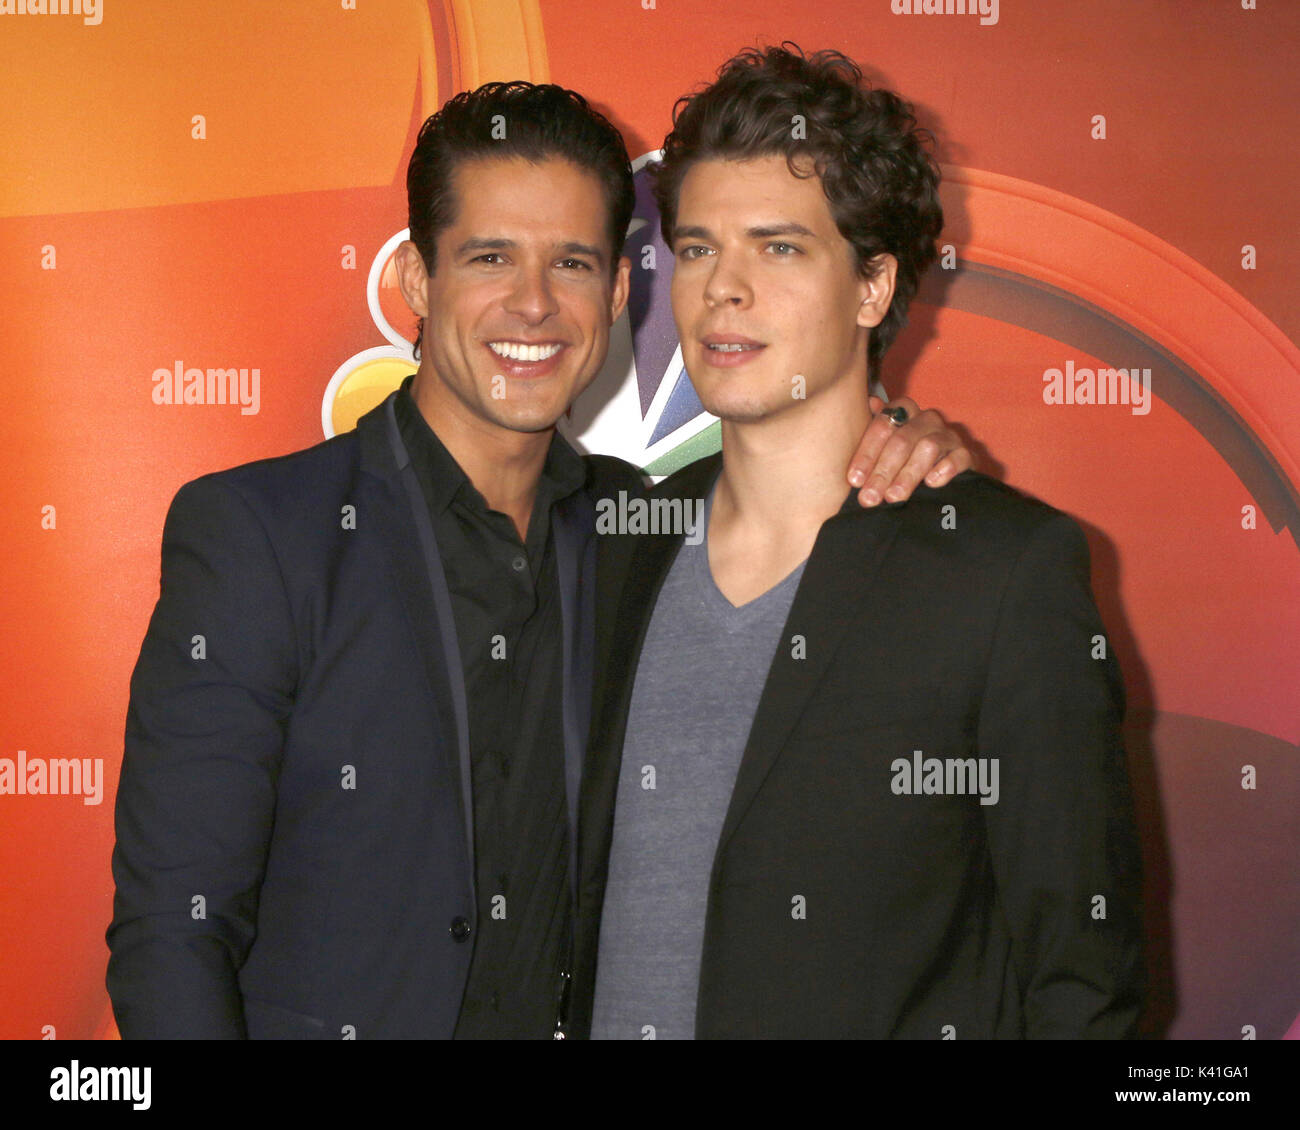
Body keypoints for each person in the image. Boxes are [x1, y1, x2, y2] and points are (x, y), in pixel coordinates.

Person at [106, 79, 972, 1038]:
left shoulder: (641, 536)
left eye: (570, 263)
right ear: (418, 286)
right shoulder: (264, 536)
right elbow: (173, 938)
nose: (532, 304)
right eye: (489, 258)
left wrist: (900, 435)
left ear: (615, 292)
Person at [575, 45, 1145, 1040]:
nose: (724, 289)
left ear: (874, 288)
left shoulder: (1002, 572)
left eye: (780, 247)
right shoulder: (619, 541)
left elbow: (1082, 987)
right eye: (699, 246)